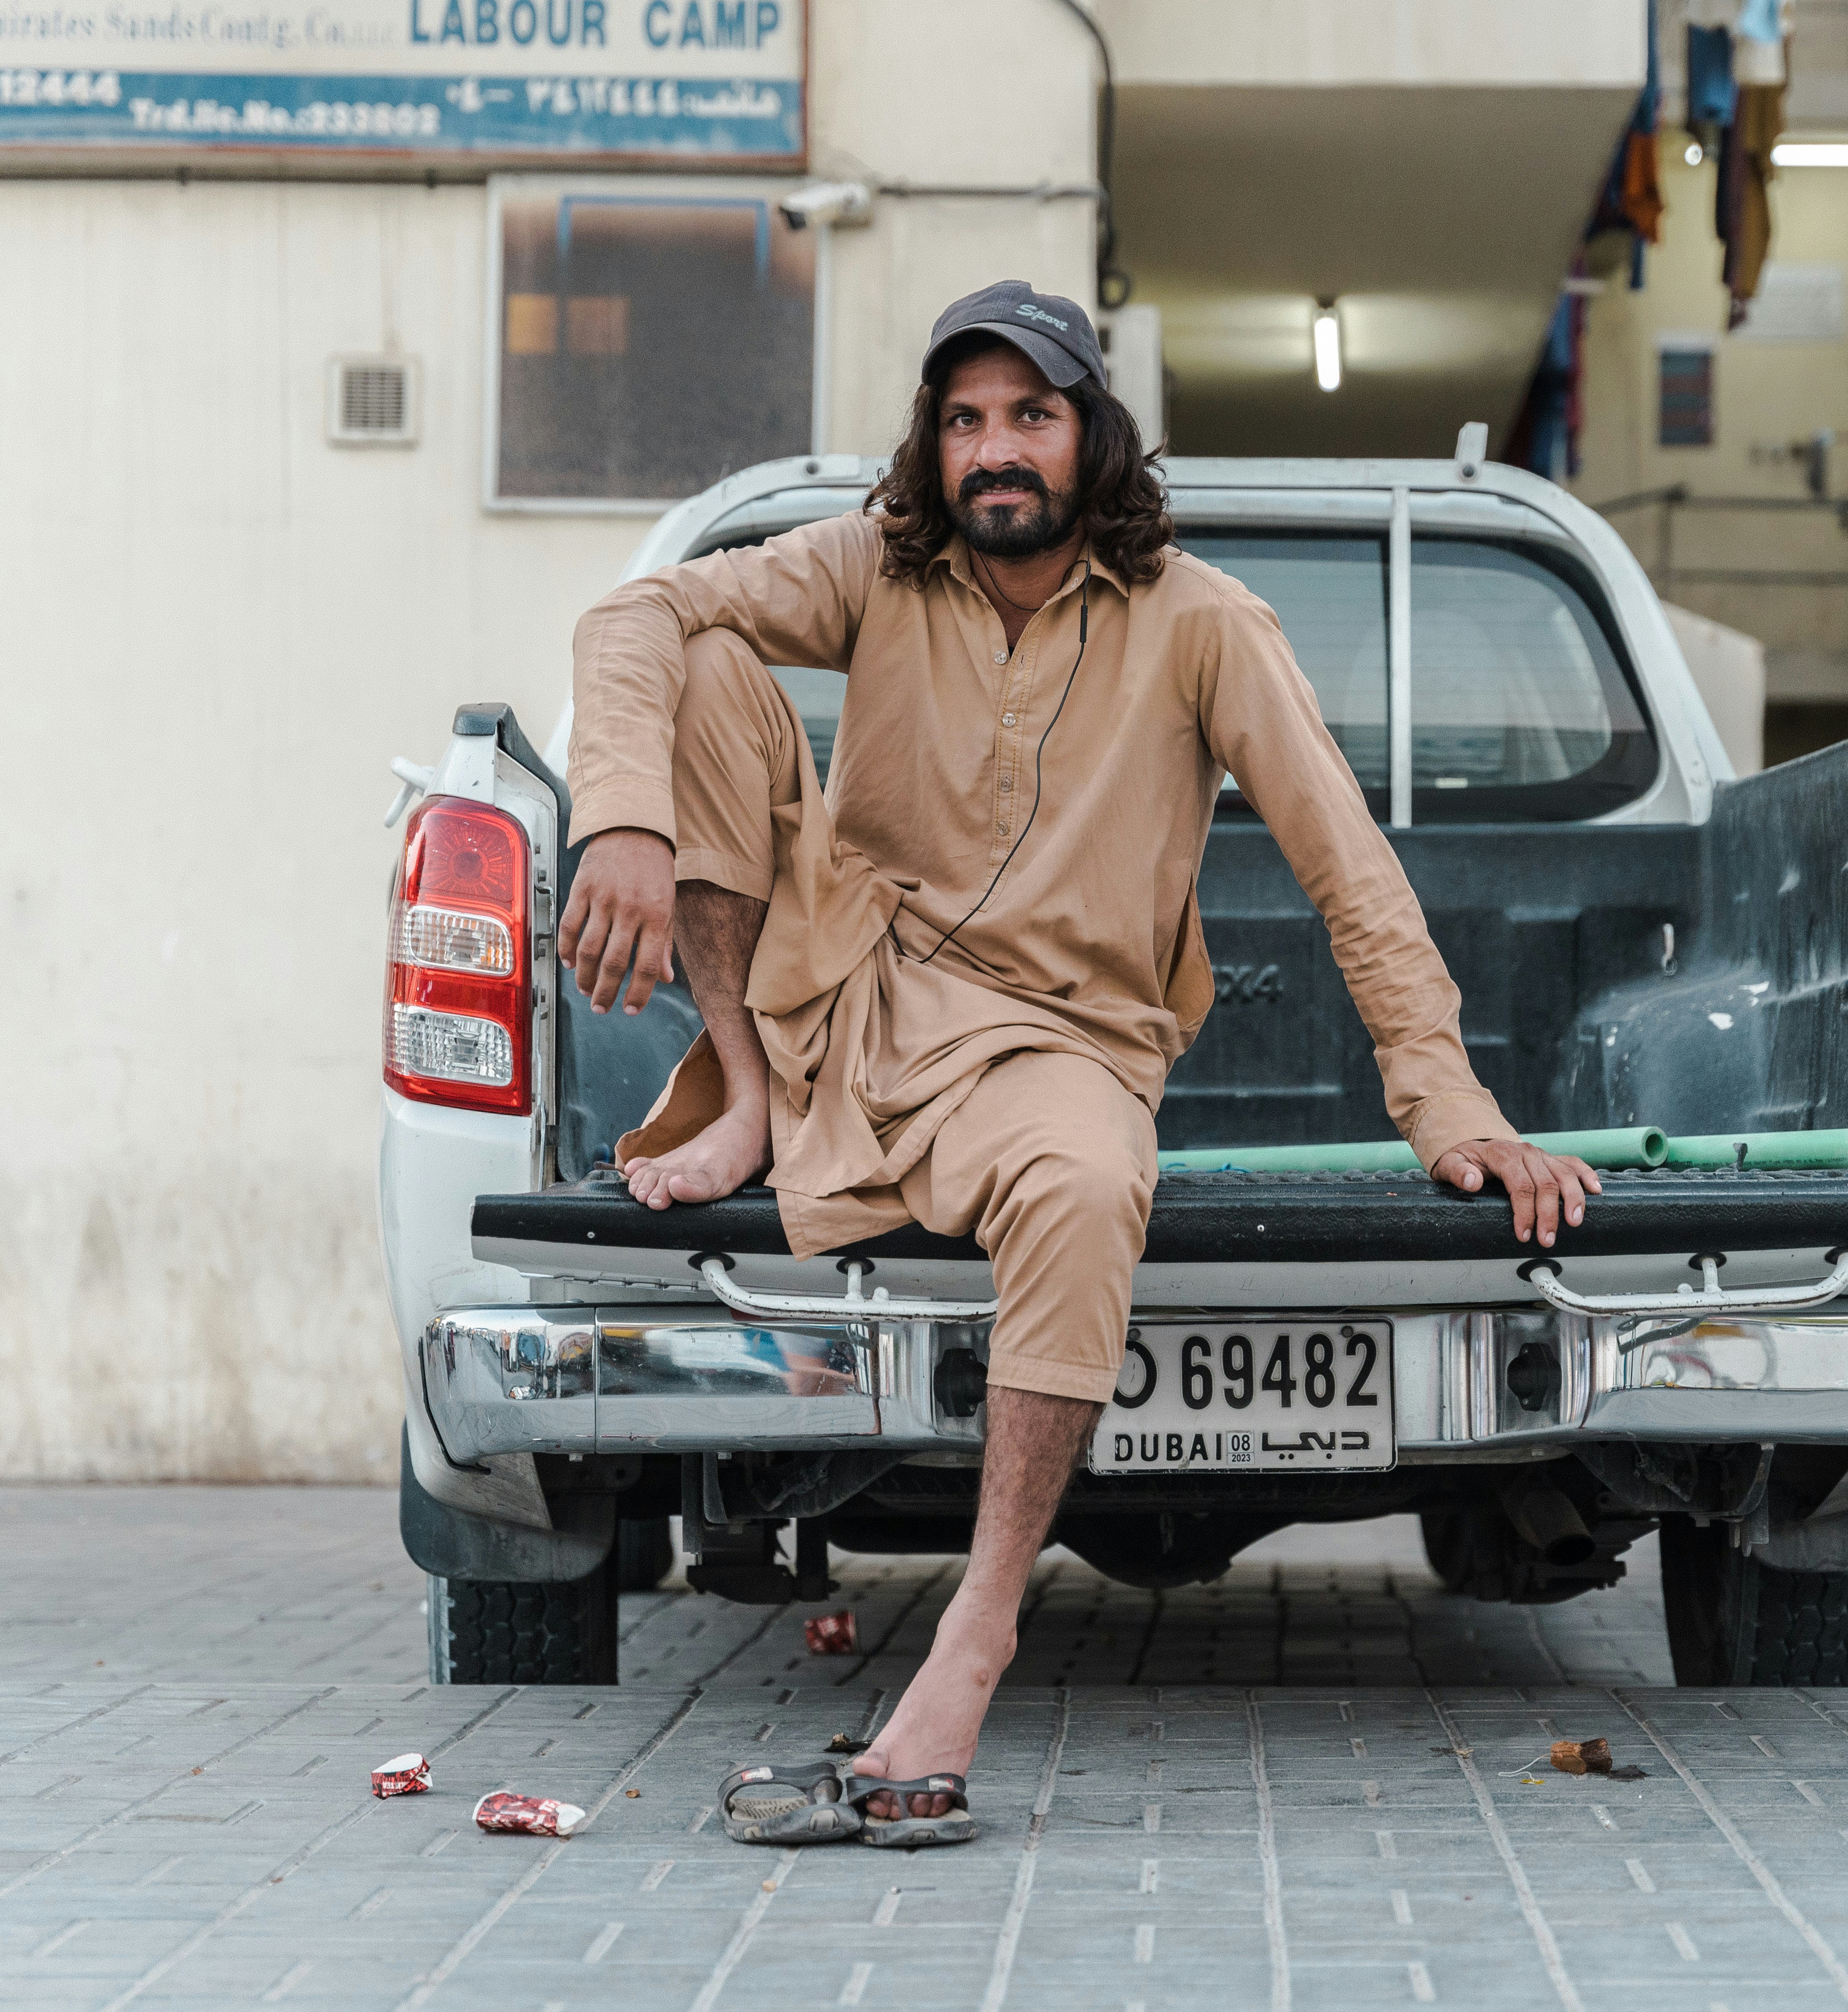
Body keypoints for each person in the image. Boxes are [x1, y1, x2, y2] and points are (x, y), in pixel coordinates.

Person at [560, 280, 1599, 1836]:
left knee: (1093, 1184)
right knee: (702, 658)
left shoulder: (1204, 622)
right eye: (965, 419)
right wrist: (625, 819)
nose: (995, 448)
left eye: (1030, 416)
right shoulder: (875, 565)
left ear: (1092, 434)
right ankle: (751, 1101)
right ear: (934, 445)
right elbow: (630, 615)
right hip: (844, 991)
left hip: (1054, 1042)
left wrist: (1446, 1102)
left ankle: (973, 1638)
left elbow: (1349, 865)